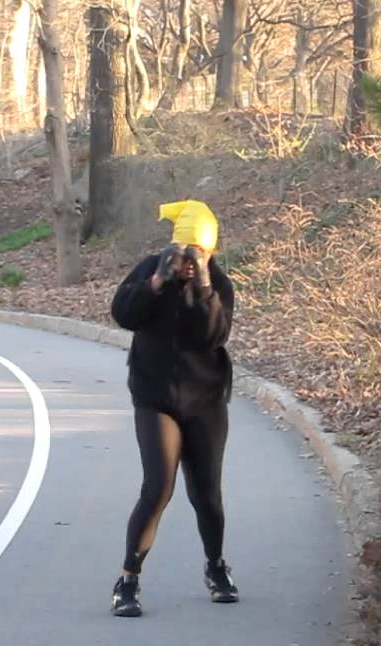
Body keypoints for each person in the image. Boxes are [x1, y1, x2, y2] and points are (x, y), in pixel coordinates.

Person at [107, 199, 238, 618]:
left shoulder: (218, 284)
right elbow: (122, 314)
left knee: (206, 494)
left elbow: (213, 336)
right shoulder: (151, 270)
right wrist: (156, 282)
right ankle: (128, 580)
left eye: (196, 255)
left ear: (211, 252)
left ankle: (216, 567)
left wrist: (201, 286)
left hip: (205, 401)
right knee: (158, 487)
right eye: (182, 253)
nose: (187, 261)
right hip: (155, 398)